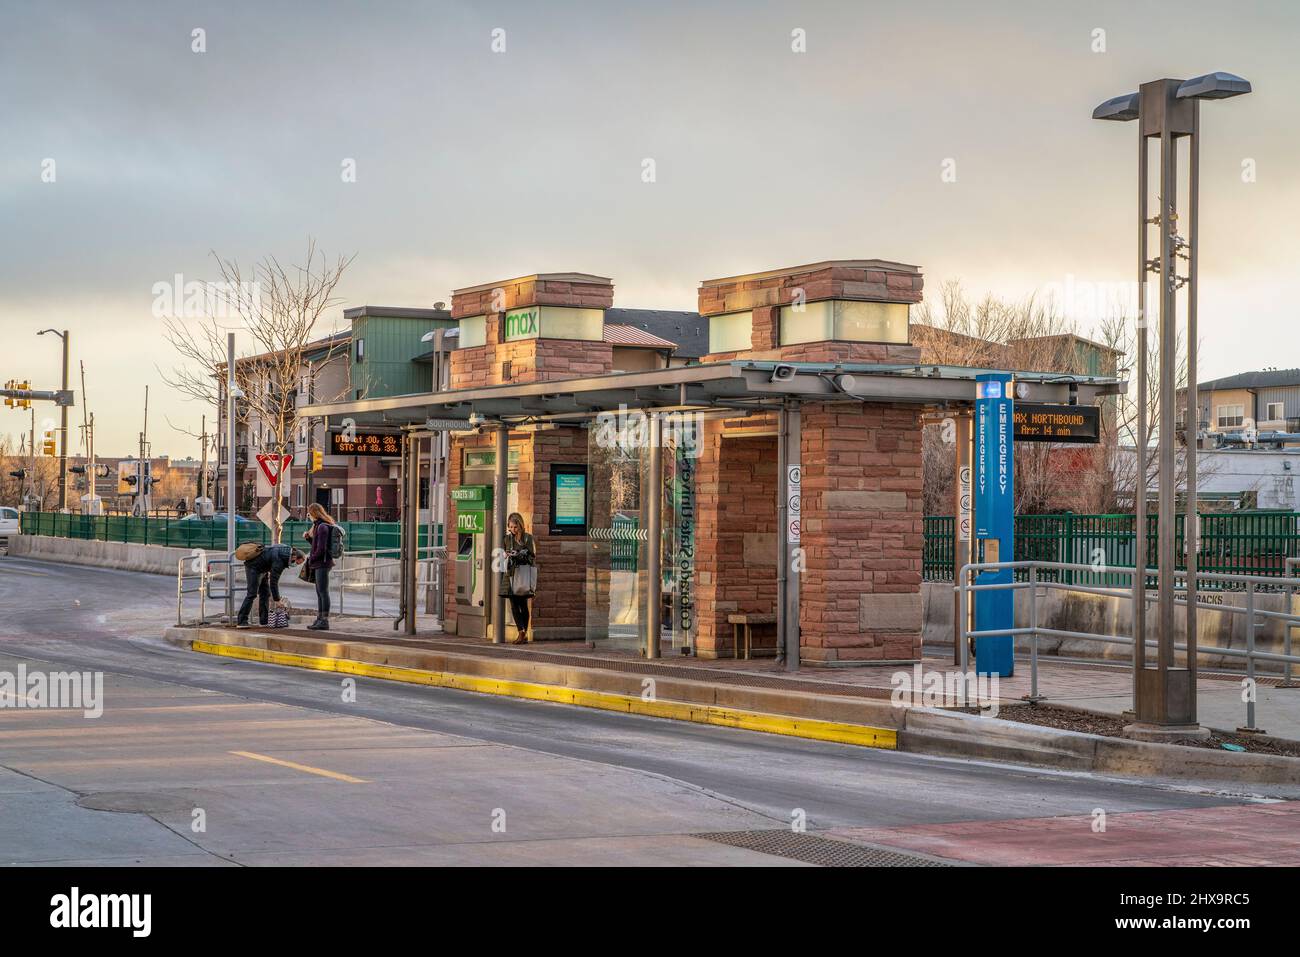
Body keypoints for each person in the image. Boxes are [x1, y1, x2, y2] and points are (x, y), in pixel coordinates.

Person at [237, 544, 305, 627]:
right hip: (254, 567)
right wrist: (277, 600)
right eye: (297, 563)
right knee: (252, 594)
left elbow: (270, 555)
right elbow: (273, 582)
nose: (295, 564)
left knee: (265, 593)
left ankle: (264, 621)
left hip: (262, 568)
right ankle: (241, 621)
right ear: (294, 557)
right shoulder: (280, 561)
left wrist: (269, 570)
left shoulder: (286, 550)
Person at [500, 512, 536, 644]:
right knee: (513, 604)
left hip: (523, 574)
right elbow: (505, 553)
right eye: (510, 527)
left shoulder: (527, 538)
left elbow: (532, 556)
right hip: (510, 574)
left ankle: (524, 633)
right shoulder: (507, 539)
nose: (513, 530)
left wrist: (521, 554)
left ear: (520, 526)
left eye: (515, 527)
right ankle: (521, 632)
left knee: (523, 604)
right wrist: (508, 555)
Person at [304, 502, 337, 630]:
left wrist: (311, 558)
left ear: (313, 513)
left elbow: (321, 549)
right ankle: (320, 619)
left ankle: (324, 621)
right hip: (320, 562)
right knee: (319, 592)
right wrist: (308, 539)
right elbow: (316, 545)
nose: (309, 517)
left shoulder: (322, 527)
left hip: (322, 563)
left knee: (323, 592)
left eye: (309, 514)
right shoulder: (319, 526)